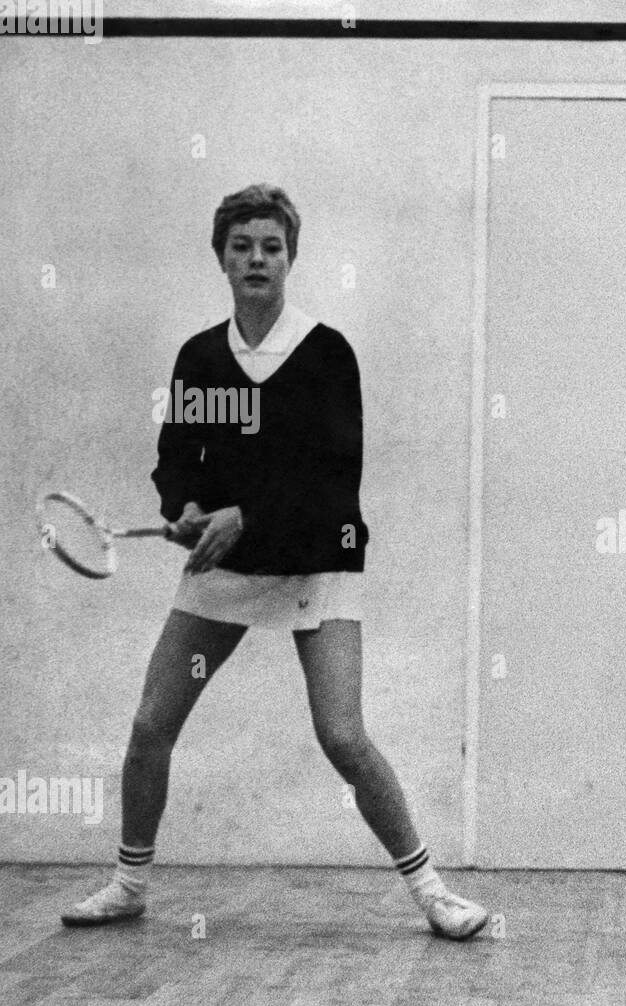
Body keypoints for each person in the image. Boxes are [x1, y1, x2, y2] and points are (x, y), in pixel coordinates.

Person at [62, 184, 487, 941]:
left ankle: (434, 893)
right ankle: (128, 884)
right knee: (152, 723)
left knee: (343, 735)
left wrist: (247, 515)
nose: (257, 259)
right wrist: (187, 508)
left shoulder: (326, 354)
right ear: (221, 258)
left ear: (291, 258)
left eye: (271, 247)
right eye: (242, 246)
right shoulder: (200, 358)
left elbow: (334, 478)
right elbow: (178, 457)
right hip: (227, 565)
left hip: (317, 561)